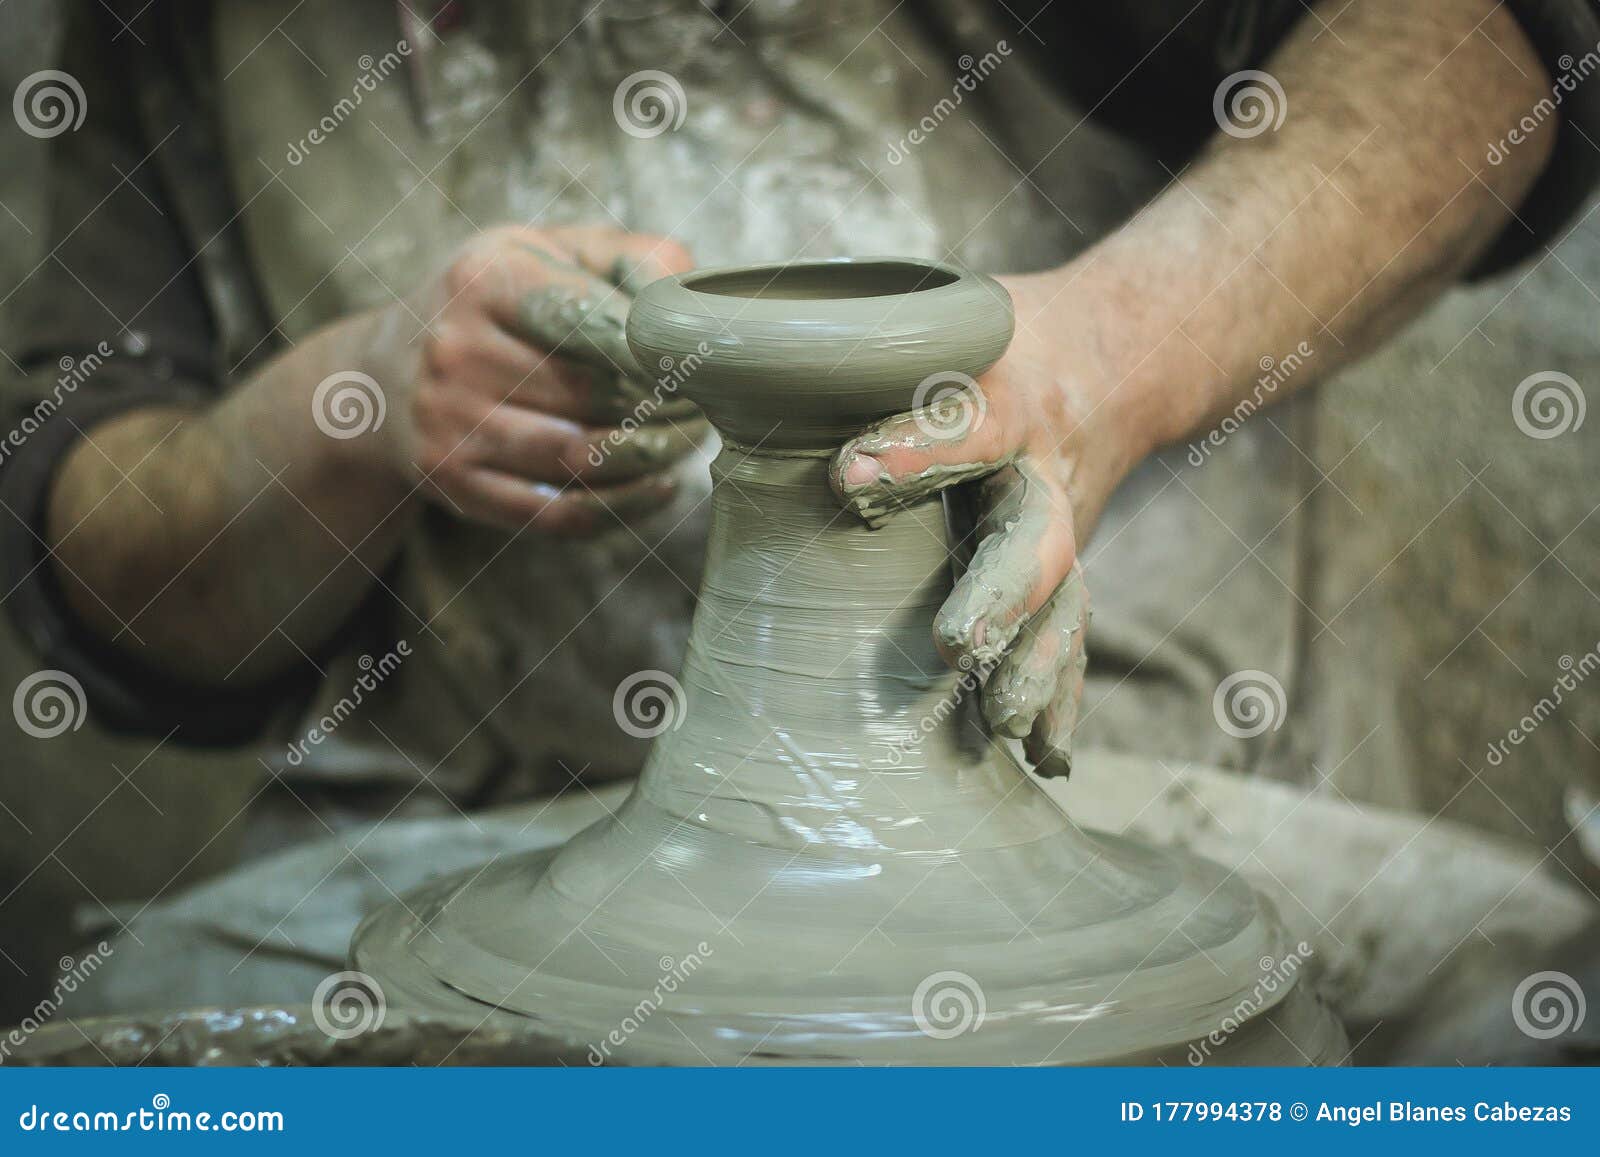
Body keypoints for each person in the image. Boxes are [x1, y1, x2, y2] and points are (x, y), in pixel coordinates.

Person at [0, 0, 1594, 1021]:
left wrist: (1112, 353)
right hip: (474, 835)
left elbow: (1485, 43)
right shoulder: (171, 32)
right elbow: (105, 572)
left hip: (1134, 797)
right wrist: (343, 410)